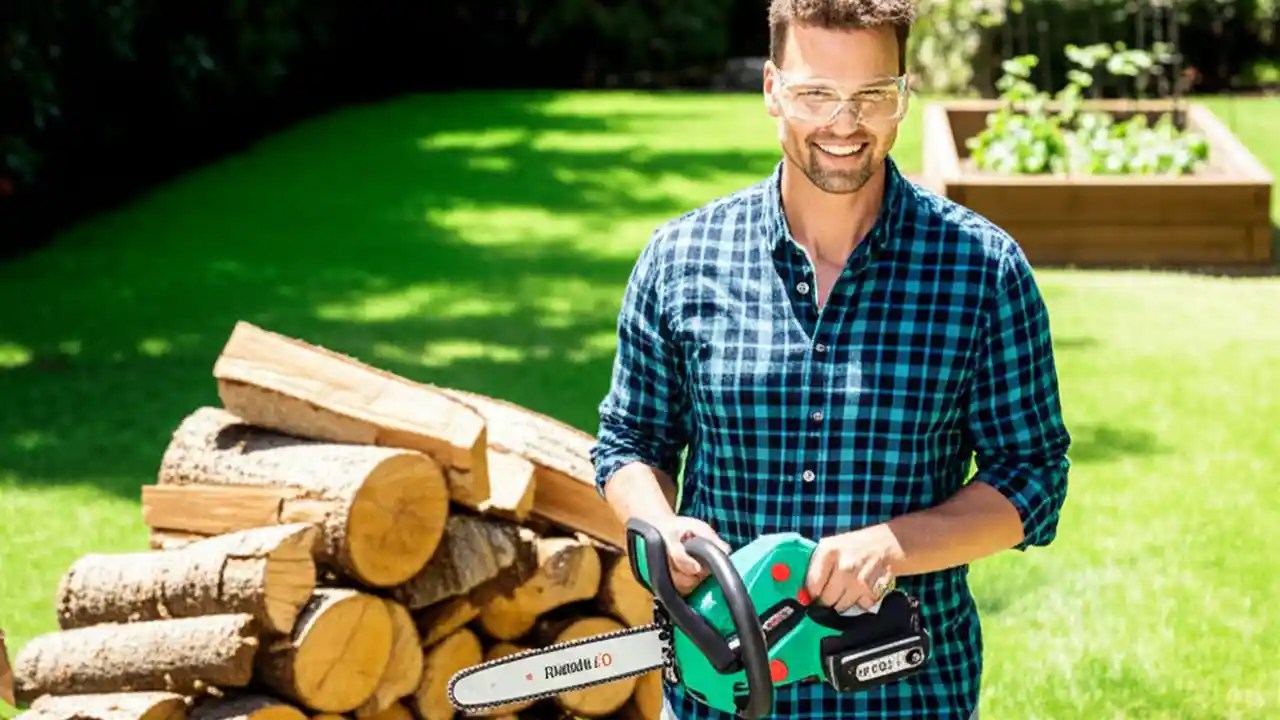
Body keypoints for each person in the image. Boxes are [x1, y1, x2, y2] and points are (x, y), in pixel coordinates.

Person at [589, 0, 1072, 717]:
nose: (844, 124)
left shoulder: (982, 271)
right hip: (719, 691)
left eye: (871, 96)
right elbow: (629, 443)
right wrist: (660, 524)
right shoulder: (680, 260)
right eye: (816, 93)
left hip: (907, 696)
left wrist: (892, 546)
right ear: (772, 89)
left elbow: (1032, 478)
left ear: (903, 95)